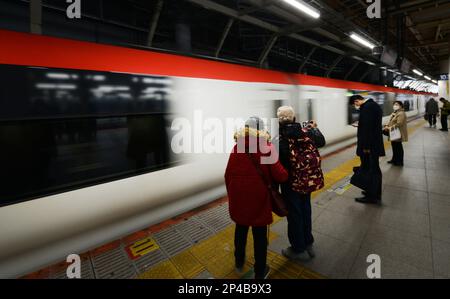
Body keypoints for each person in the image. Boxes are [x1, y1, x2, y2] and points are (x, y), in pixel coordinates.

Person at [225, 117, 288, 279]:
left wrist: (233, 195)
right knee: (259, 235)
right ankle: (260, 271)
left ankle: (239, 261)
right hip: (259, 199)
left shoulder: (236, 148)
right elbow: (280, 175)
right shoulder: (266, 148)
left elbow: (227, 175)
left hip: (239, 198)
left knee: (241, 229)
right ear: (261, 129)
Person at [274, 106, 325, 261]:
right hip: (307, 180)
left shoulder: (278, 140)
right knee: (306, 210)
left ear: (279, 121)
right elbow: (321, 142)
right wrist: (315, 129)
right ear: (294, 119)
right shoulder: (306, 132)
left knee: (295, 215)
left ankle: (298, 249)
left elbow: (275, 168)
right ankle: (308, 243)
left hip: (291, 184)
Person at [349, 95, 385, 204]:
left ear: (357, 101)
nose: (356, 106)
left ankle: (373, 196)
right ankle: (372, 192)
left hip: (370, 146)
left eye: (355, 104)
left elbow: (368, 130)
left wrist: (366, 147)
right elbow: (370, 125)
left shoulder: (367, 108)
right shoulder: (373, 105)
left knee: (372, 170)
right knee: (372, 169)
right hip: (373, 144)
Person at [384, 101, 408, 166]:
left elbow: (399, 123)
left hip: (398, 133)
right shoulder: (395, 113)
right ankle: (394, 159)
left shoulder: (401, 113)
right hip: (394, 133)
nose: (395, 106)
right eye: (394, 104)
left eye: (397, 104)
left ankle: (399, 161)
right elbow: (391, 121)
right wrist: (387, 125)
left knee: (398, 147)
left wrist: (390, 128)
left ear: (401, 106)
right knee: (394, 147)